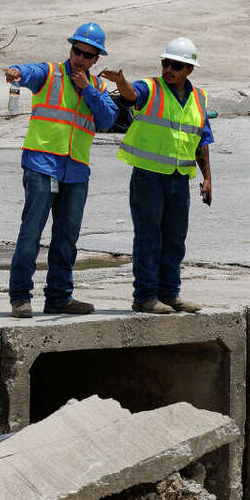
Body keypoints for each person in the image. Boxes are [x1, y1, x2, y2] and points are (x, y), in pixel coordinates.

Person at [1, 23, 120, 318]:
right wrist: (16, 72)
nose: (79, 59)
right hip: (42, 163)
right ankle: (20, 297)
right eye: (76, 51)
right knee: (31, 232)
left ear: (96, 60)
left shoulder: (99, 88)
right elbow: (30, 71)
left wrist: (87, 90)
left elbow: (106, 119)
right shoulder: (51, 73)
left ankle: (59, 296)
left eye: (86, 55)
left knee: (67, 237)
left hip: (76, 170)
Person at [100, 37, 213, 315]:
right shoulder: (150, 87)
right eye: (166, 63)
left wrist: (207, 178)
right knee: (149, 237)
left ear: (189, 70)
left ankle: (170, 294)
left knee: (175, 238)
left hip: (179, 179)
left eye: (176, 65)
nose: (169, 69)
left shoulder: (199, 97)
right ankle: (145, 297)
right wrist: (120, 83)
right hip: (148, 177)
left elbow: (202, 140)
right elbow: (131, 96)